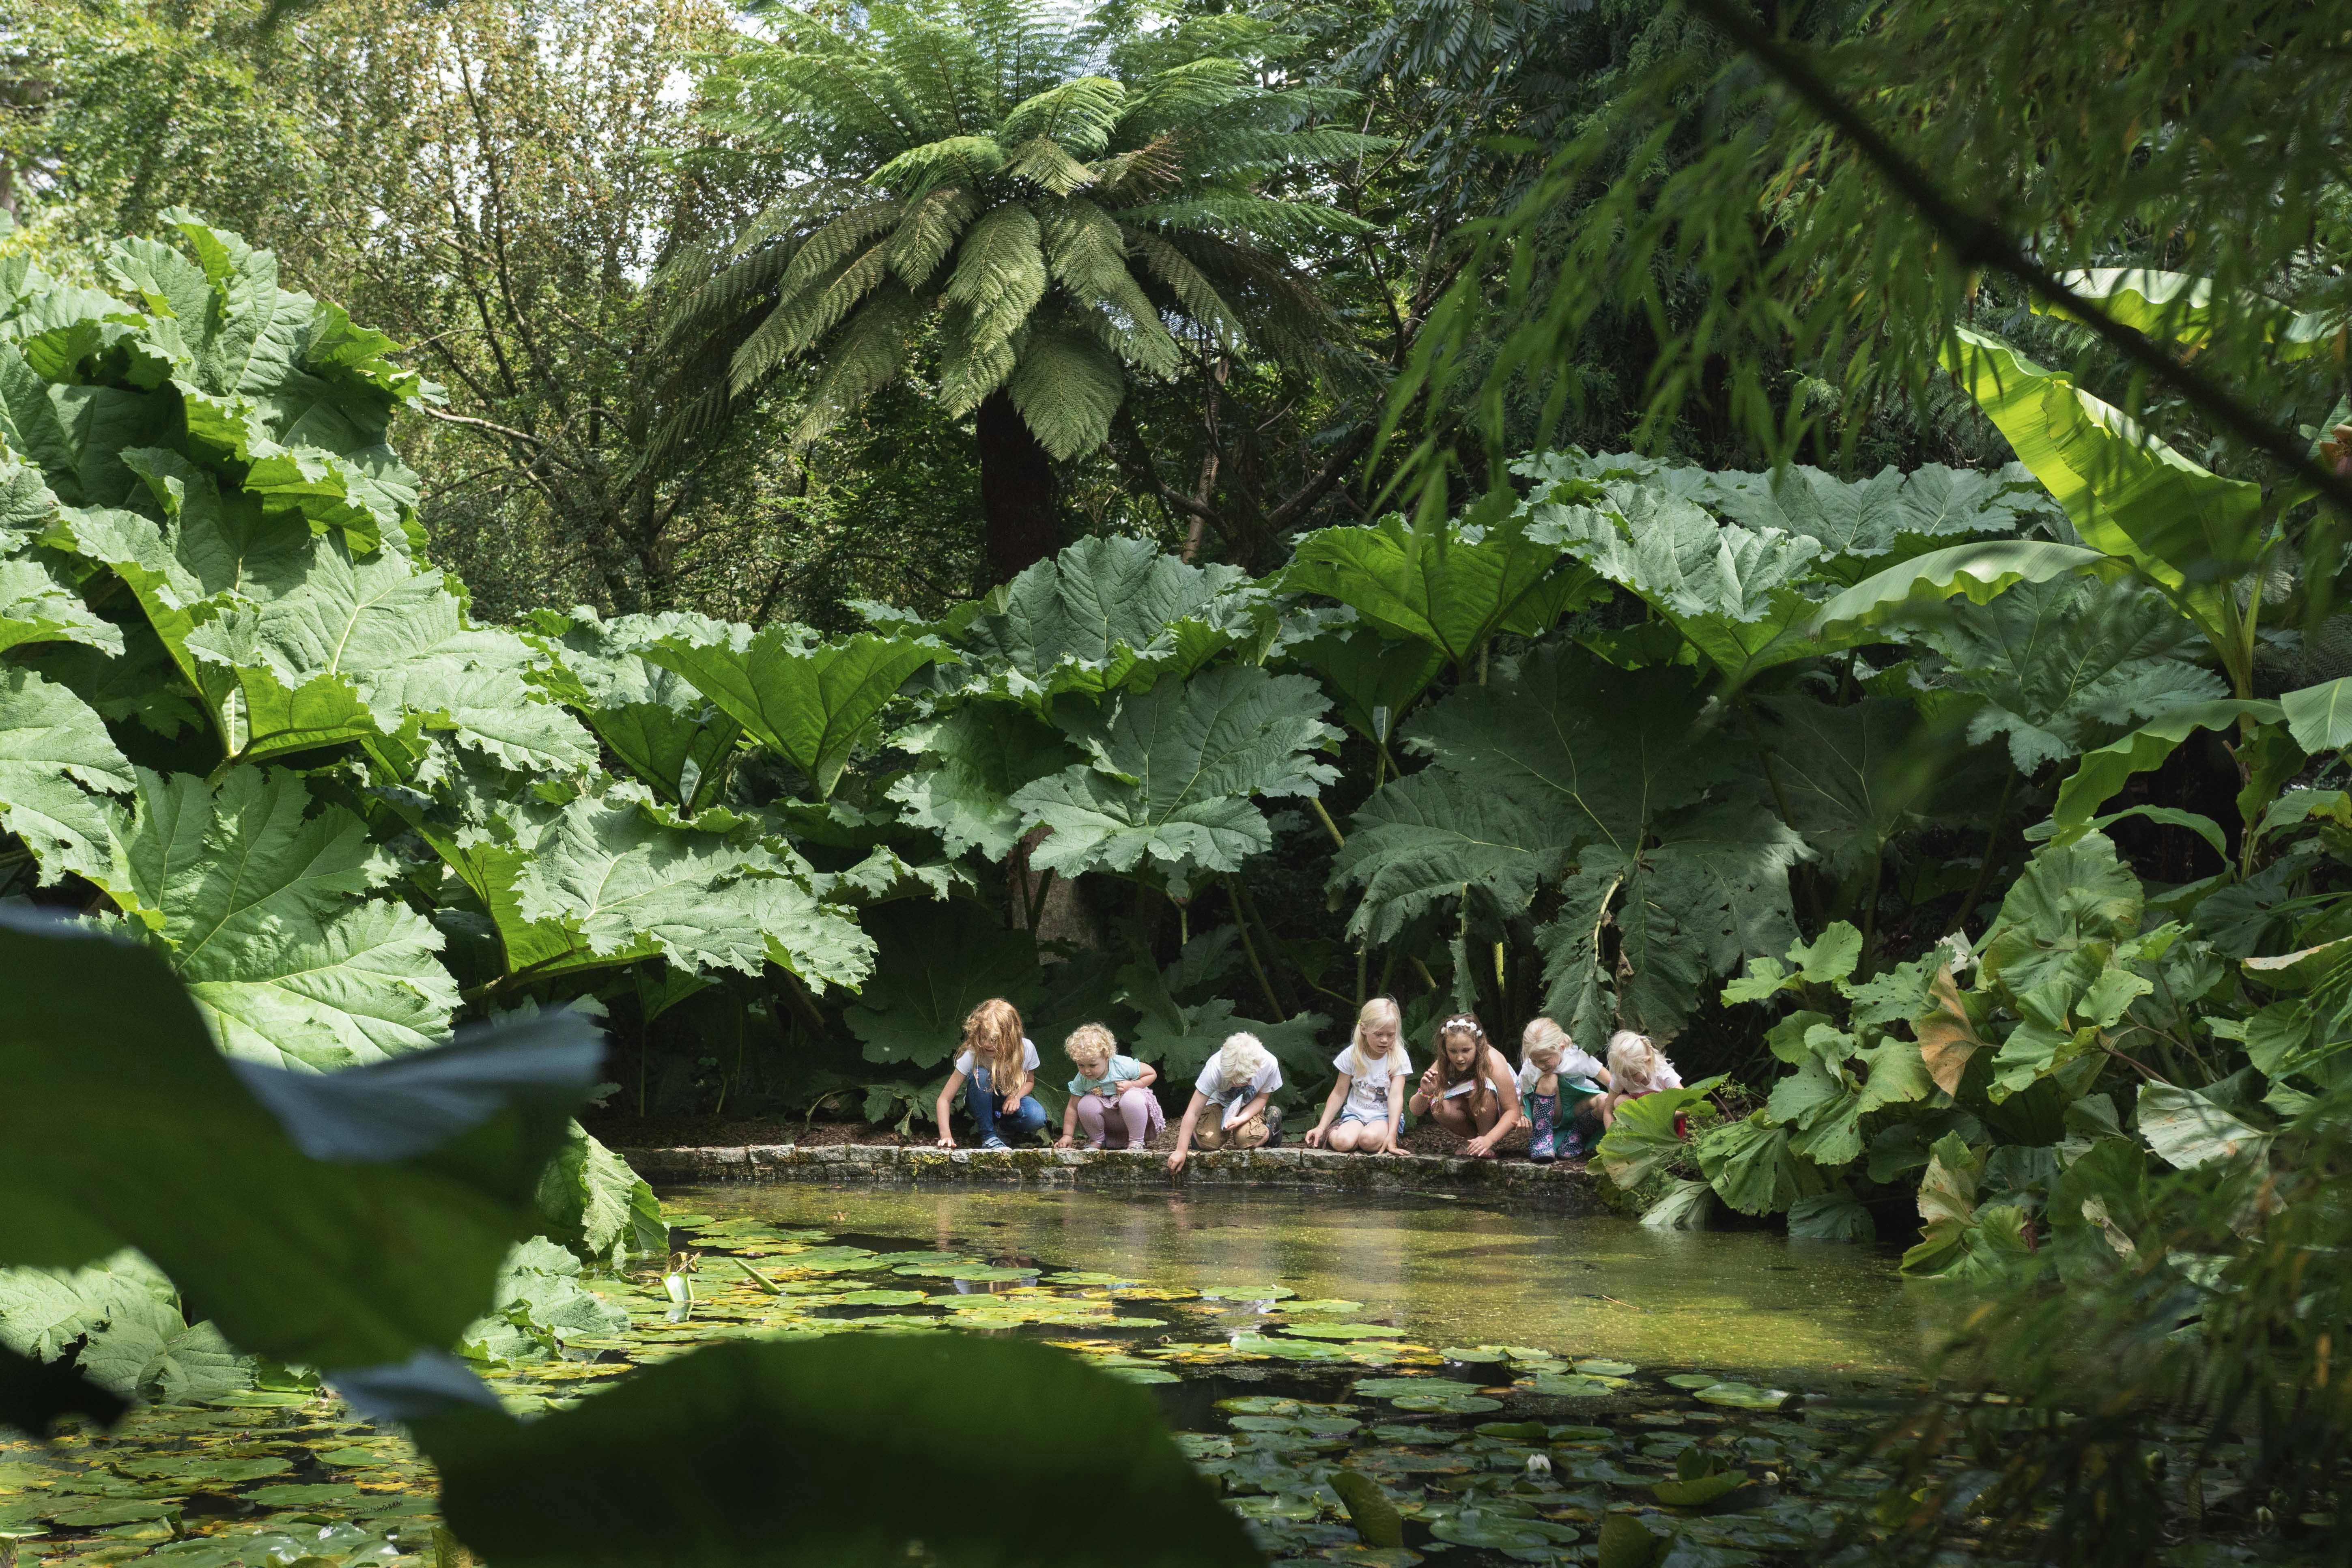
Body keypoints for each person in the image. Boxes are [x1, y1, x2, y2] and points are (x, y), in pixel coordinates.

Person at [933, 998, 1046, 1150]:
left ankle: (1002, 1130)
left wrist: (1016, 1097)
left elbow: (1029, 1081)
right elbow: (944, 1099)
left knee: (1037, 1117)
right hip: (980, 1100)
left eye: (994, 1039)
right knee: (981, 1073)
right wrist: (946, 1135)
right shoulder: (974, 1053)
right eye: (983, 1036)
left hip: (1007, 1100)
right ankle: (989, 1136)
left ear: (1010, 1036)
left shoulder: (1026, 1048)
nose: (987, 1044)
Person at [1408, 1012, 1524, 1159]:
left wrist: (1489, 1139)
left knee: (1480, 1089)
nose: (1460, 1058)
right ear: (1445, 1048)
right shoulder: (1444, 1062)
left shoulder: (1493, 1061)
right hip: (1471, 1110)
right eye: (1453, 1051)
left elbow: (1513, 1111)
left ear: (1478, 1044)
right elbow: (1415, 1110)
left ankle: (1484, 1138)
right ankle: (1471, 1139)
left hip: (1496, 1114)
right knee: (1439, 1104)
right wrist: (1425, 1093)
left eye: (1466, 1051)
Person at [1304, 996, 1410, 1155]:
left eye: (1390, 1035)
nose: (1384, 1040)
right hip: (1356, 1114)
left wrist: (1392, 1134)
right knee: (1343, 1142)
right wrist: (1321, 1126)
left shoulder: (1399, 1057)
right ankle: (1334, 1131)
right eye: (1379, 1034)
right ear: (1364, 1029)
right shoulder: (1352, 1055)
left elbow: (1396, 1097)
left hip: (1384, 1117)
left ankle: (1376, 1136)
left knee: (1368, 1140)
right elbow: (1339, 1093)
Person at [1166, 1032, 1283, 1172]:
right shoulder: (1215, 1066)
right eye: (1232, 1081)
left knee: (1247, 1139)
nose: (1235, 1084)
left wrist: (1240, 1119)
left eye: (1243, 1082)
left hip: (1249, 1105)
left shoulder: (1270, 1063)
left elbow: (1262, 1098)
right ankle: (1198, 1132)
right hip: (1218, 1104)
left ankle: (1271, 1128)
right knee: (1208, 1142)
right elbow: (1194, 1110)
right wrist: (1181, 1150)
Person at [1056, 1023, 1163, 1151]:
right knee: (1085, 1103)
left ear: (1107, 1057)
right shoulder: (1082, 1079)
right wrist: (1067, 1135)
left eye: (1092, 1065)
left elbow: (1152, 1073)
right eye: (1081, 1065)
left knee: (1132, 1099)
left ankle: (1136, 1141)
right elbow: (1073, 1108)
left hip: (1132, 1115)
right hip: (1110, 1120)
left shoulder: (1122, 1065)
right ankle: (1098, 1140)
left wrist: (1133, 1085)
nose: (1087, 1071)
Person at [1518, 1017, 1611, 1163]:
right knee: (1549, 1078)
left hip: (1578, 1109)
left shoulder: (1577, 1057)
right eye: (1535, 1061)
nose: (1540, 1065)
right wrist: (1523, 1117)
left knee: (1605, 1102)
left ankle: (1578, 1135)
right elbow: (1522, 1100)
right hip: (1553, 1113)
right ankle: (1542, 1137)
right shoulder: (1531, 1068)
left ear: (1561, 1048)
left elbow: (1611, 1082)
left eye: (1545, 1060)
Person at [1597, 1029, 1683, 1131]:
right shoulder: (1622, 1074)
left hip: (1666, 1122)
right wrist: (1611, 1138)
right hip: (1641, 1121)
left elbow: (1688, 1108)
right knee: (1620, 1101)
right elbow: (1608, 1111)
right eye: (1624, 1075)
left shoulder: (1664, 1074)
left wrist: (1658, 1115)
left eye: (1634, 1074)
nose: (1628, 1079)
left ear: (1648, 1061)